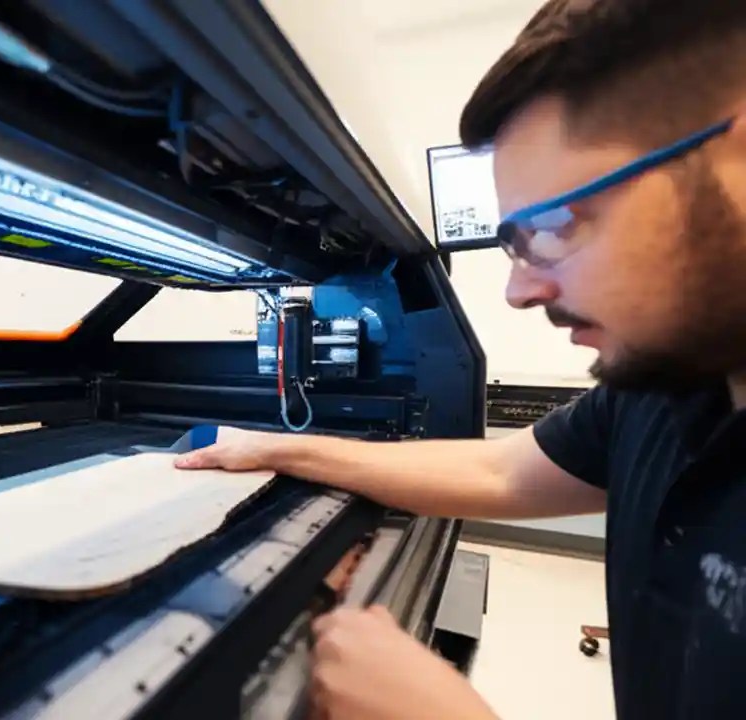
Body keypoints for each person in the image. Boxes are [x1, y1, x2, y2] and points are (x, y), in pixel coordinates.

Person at [176, 1, 746, 718]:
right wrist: (278, 450)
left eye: (552, 225)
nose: (517, 291)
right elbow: (497, 470)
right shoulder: (670, 391)